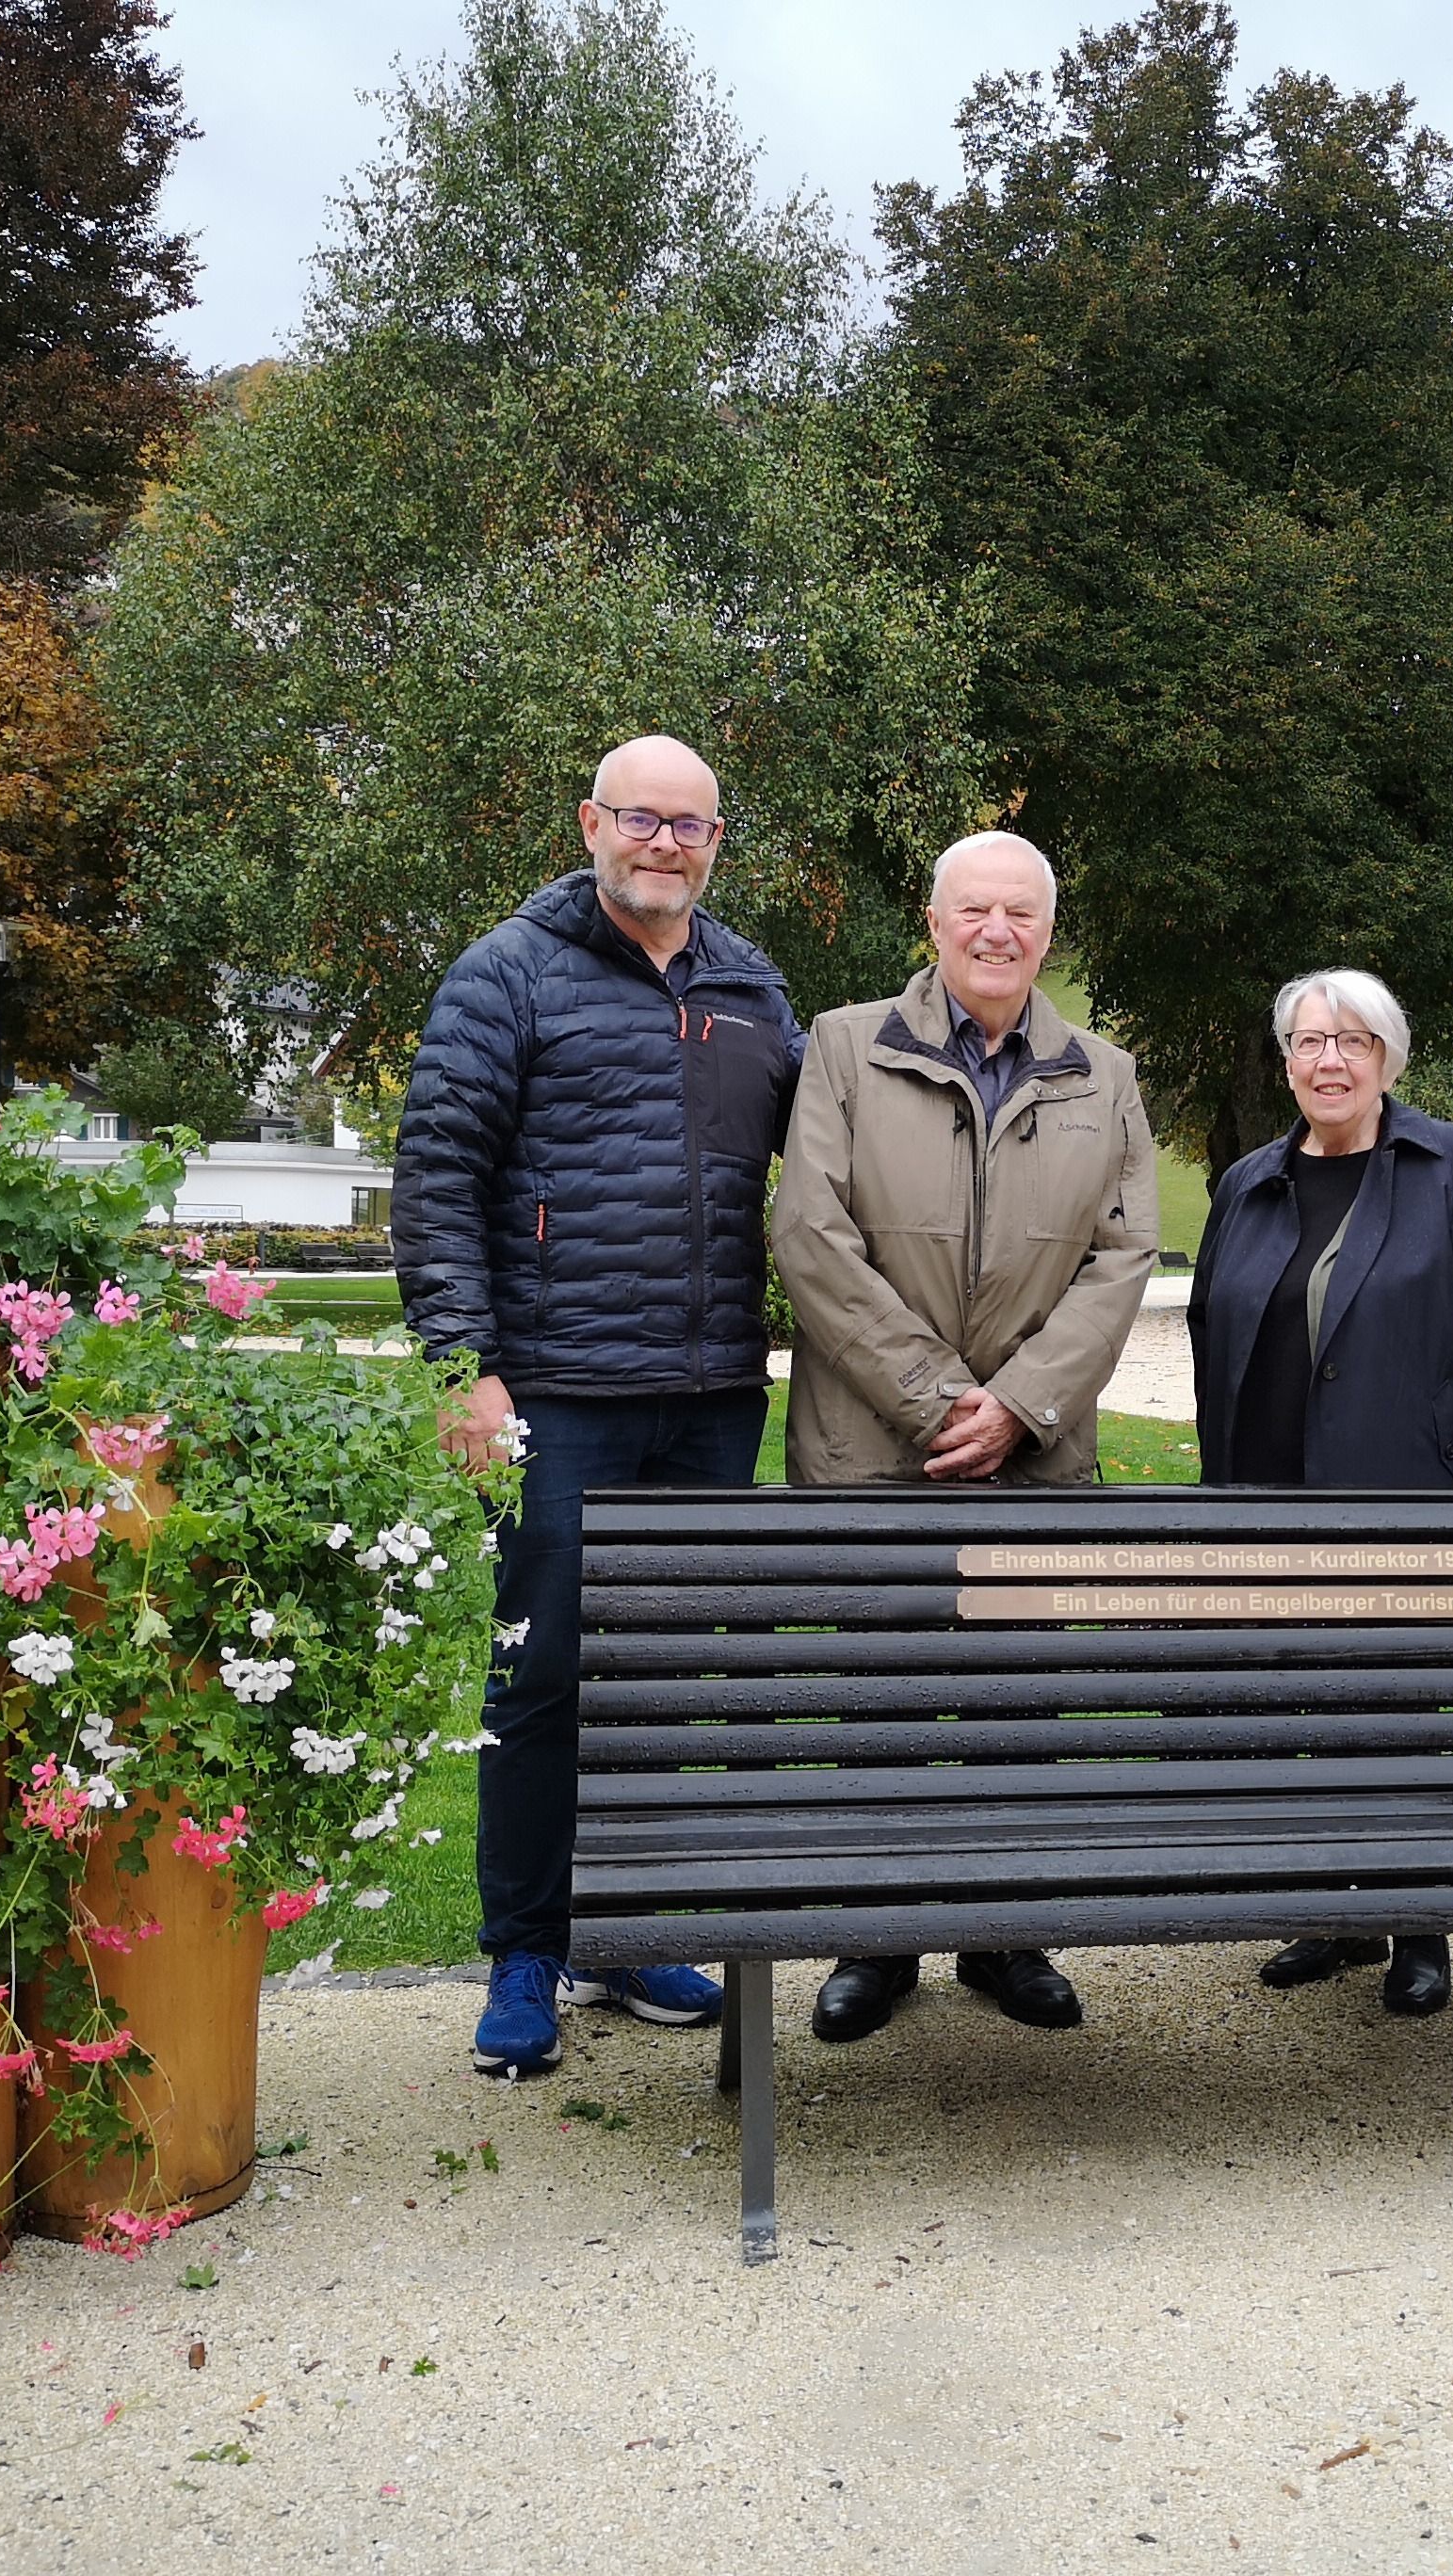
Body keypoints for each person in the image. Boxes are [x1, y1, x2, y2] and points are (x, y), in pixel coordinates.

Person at [393, 734, 803, 2079]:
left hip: (710, 1394)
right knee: (546, 1669)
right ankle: (526, 1946)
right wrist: (466, 1366)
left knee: (666, 1677)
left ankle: (623, 1930)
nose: (665, 843)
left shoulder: (752, 989)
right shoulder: (506, 973)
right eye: (643, 819)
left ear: (715, 843)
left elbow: (844, 1152)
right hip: (558, 1391)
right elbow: (439, 1177)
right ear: (593, 823)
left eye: (691, 825)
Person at [772, 829, 1161, 2044]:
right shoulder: (844, 1046)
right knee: (880, 1704)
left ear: (1049, 932)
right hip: (871, 1447)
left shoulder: (1106, 1074)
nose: (997, 932)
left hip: (1038, 1457)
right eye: (973, 911)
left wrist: (1023, 1405)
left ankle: (1008, 1932)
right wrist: (941, 1399)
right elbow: (810, 1235)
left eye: (1022, 914)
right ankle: (875, 1942)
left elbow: (1123, 1256)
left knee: (1018, 1707)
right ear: (933, 925)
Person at [1188, 968, 1453, 2018]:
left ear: (1389, 1058)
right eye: (1310, 1042)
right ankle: (1336, 1910)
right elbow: (1210, 1334)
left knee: (1400, 1705)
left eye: (1355, 1041)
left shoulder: (1450, 1166)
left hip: (1404, 1480)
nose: (1330, 1061)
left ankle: (1419, 1921)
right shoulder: (1247, 1183)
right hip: (1269, 1487)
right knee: (1309, 1698)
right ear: (1286, 1061)